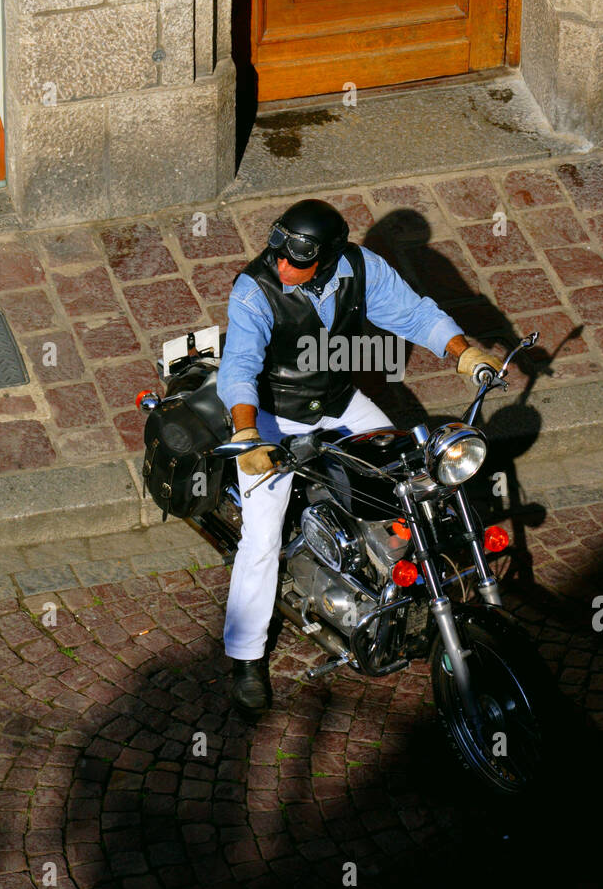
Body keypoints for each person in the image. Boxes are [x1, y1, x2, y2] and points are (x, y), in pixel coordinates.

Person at [216, 198, 504, 714]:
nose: (282, 266)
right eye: (278, 253)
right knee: (261, 536)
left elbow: (414, 313)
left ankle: (389, 583)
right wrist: (248, 434)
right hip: (272, 415)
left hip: (339, 401)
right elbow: (238, 368)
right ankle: (245, 654)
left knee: (409, 480)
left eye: (296, 261)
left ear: (327, 257)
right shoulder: (253, 290)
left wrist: (464, 353)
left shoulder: (360, 267)